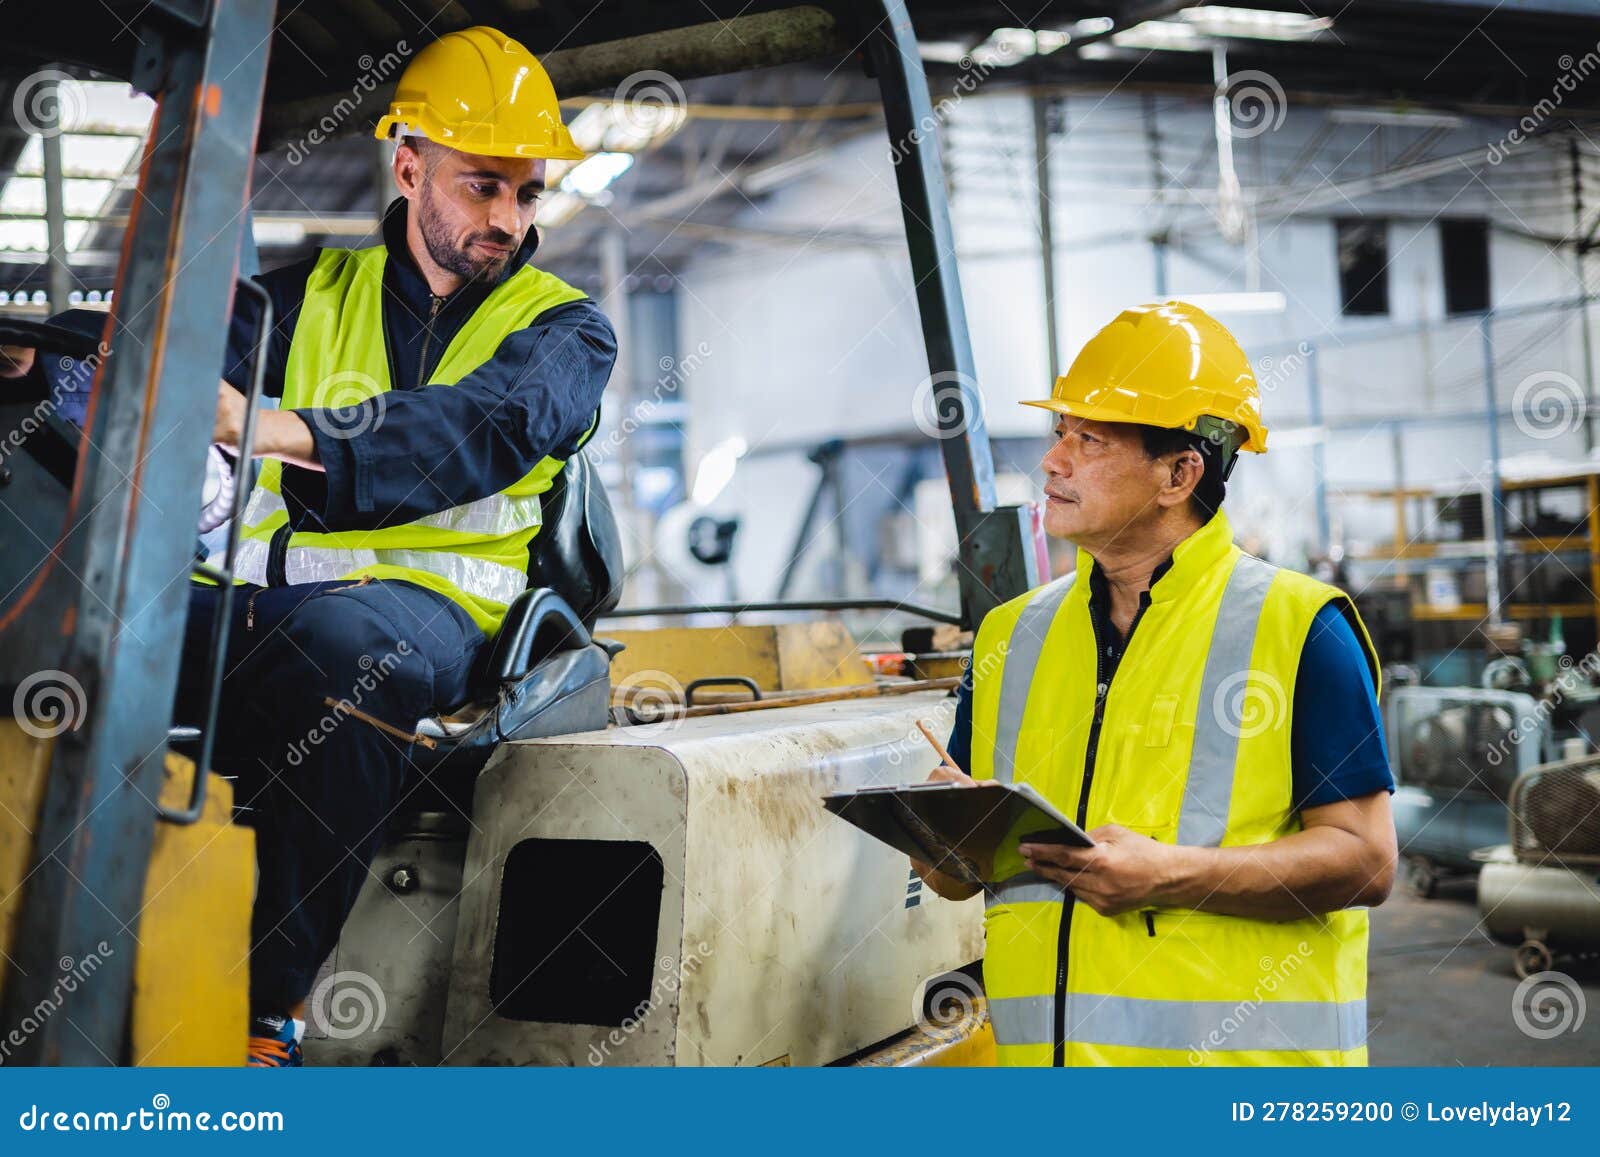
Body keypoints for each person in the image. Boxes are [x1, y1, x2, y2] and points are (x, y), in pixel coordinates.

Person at [0, 26, 616, 1065]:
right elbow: (151, 361)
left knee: (336, 653)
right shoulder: (294, 299)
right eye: (483, 187)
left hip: (436, 618)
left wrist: (266, 425)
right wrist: (39, 369)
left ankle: (268, 1007)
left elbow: (483, 432)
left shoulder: (563, 331)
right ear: (410, 165)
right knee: (59, 621)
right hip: (258, 601)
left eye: (526, 193)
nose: (507, 220)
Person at [915, 301, 1396, 1067]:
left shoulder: (1301, 628)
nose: (1054, 461)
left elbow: (1365, 860)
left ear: (1180, 473)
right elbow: (953, 876)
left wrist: (1172, 874)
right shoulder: (1011, 636)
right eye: (1058, 433)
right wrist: (937, 831)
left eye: (1091, 440)